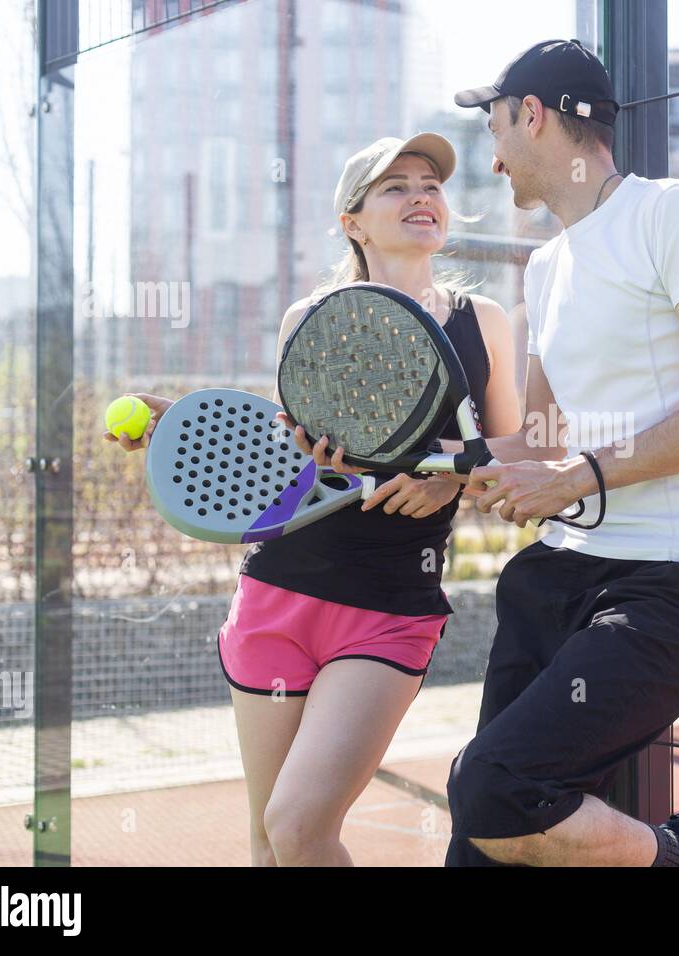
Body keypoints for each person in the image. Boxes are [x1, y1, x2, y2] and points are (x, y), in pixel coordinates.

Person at [105, 134, 521, 866]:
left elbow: (514, 457)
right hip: (279, 593)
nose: (422, 195)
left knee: (299, 826)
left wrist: (451, 476)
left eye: (430, 184)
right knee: (270, 844)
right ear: (352, 222)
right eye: (396, 187)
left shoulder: (481, 322)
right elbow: (287, 452)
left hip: (390, 608)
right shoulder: (309, 318)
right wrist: (178, 419)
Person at [446, 39, 679, 866]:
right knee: (483, 831)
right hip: (562, 574)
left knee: (494, 787)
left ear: (532, 115)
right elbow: (543, 440)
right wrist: (436, 465)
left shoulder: (672, 212)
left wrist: (581, 476)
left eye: (494, 126)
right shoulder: (547, 267)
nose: (491, 158)